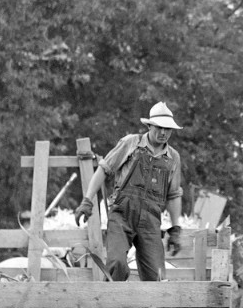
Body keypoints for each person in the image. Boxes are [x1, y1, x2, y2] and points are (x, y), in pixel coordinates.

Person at [75, 103, 185, 282]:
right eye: (159, 127)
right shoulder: (131, 143)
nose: (163, 133)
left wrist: (175, 229)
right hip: (122, 216)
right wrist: (87, 200)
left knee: (157, 277)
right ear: (149, 126)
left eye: (168, 129)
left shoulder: (173, 158)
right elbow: (104, 170)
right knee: (116, 265)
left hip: (150, 221)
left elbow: (173, 195)